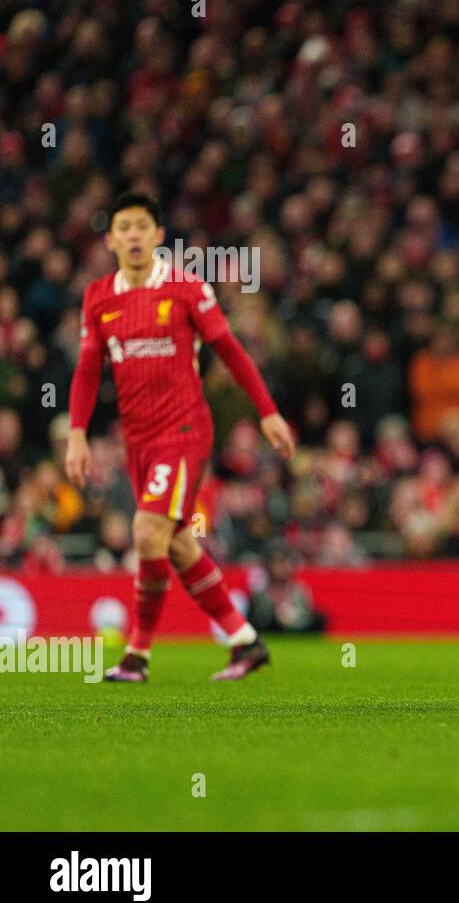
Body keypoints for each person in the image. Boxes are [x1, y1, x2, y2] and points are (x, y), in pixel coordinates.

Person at [65, 192, 295, 681]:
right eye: (122, 227)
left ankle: (137, 655)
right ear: (109, 239)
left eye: (140, 226)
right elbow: (87, 369)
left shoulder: (187, 287)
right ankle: (244, 640)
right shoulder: (99, 297)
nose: (131, 235)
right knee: (174, 543)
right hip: (137, 440)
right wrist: (77, 434)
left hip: (184, 429)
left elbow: (230, 350)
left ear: (157, 235)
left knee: (146, 531)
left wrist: (268, 413)